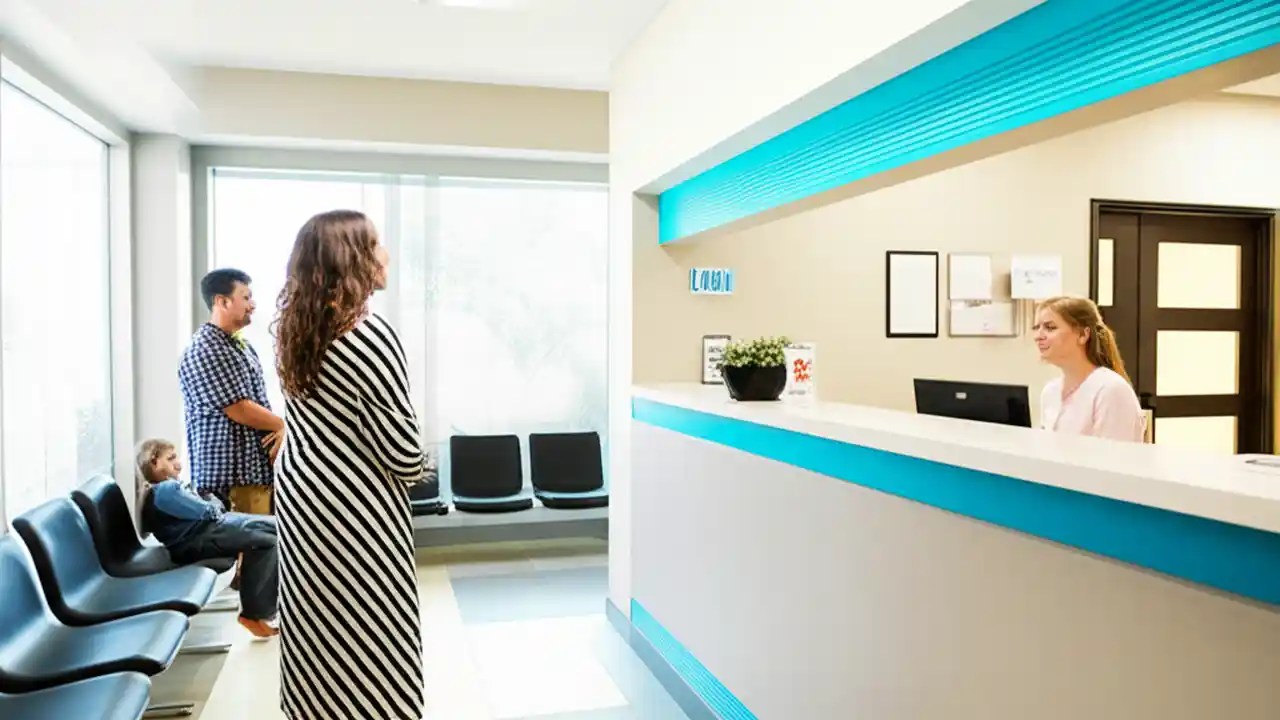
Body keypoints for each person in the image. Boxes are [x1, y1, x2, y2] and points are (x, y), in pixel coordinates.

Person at [273, 210, 426, 720]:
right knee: (372, 631)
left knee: (317, 630)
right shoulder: (369, 334)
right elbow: (403, 452)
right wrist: (424, 460)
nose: (386, 255)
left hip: (302, 495)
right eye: (377, 244)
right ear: (353, 259)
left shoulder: (299, 331)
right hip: (353, 509)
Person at [179, 268, 284, 584]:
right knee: (256, 542)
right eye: (246, 297)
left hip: (250, 466)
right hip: (231, 470)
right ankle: (255, 613)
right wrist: (282, 424)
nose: (252, 304)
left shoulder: (236, 344)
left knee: (261, 543)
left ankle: (258, 611)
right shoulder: (207, 347)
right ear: (221, 301)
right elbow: (238, 408)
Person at [136, 438, 279, 638]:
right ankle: (256, 613)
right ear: (154, 462)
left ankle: (258, 611)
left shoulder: (169, 489)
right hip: (201, 536)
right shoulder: (166, 490)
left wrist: (212, 504)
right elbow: (208, 512)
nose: (178, 463)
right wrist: (213, 502)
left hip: (208, 530)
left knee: (274, 530)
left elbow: (208, 509)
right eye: (171, 458)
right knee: (270, 538)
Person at [1033, 296, 1145, 443]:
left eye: (1050, 328)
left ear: (1083, 334)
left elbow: (1117, 460)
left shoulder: (1110, 390)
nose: (1038, 336)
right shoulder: (1050, 392)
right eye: (1036, 328)